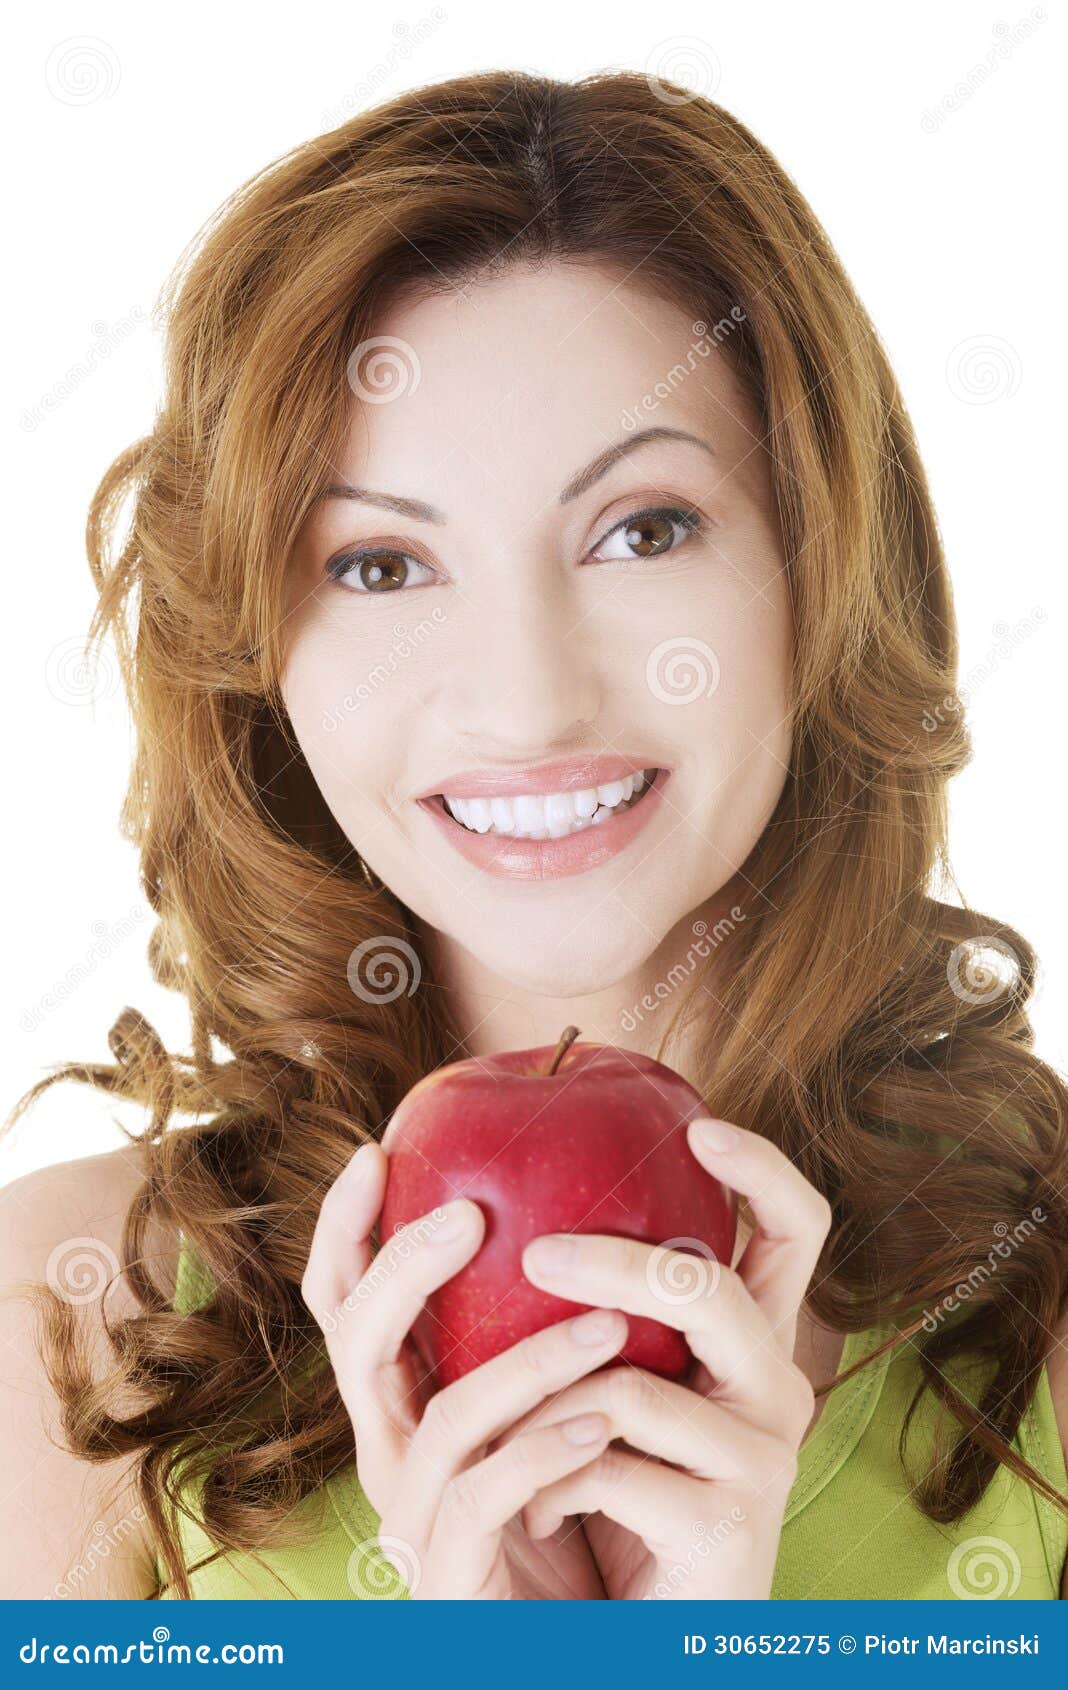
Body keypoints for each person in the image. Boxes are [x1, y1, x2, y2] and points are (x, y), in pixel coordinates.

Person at [3, 68, 1066, 1602]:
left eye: (642, 528)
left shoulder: (1036, 1286)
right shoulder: (66, 1328)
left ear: (819, 572)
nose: (527, 700)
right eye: (378, 563)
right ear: (264, 653)